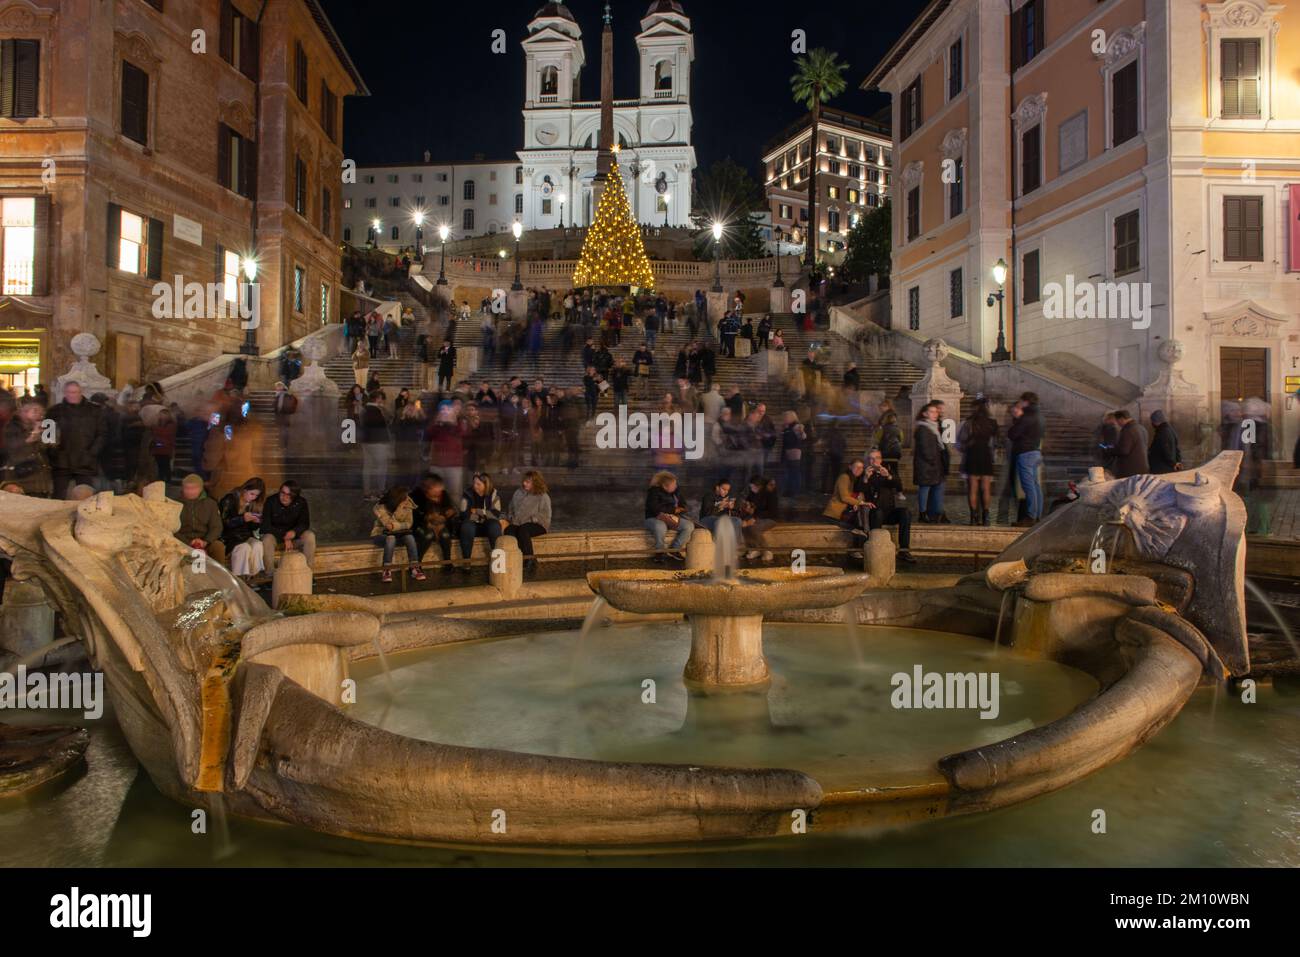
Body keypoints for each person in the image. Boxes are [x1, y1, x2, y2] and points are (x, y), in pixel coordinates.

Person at [47, 381, 107, 499]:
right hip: (61, 461)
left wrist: (92, 452)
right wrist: (53, 452)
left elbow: (102, 434)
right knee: (59, 495)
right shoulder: (54, 411)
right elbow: (47, 436)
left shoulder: (95, 411)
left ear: (81, 392)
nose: (72, 395)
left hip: (86, 460)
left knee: (85, 497)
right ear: (65, 393)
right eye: (69, 392)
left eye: (75, 392)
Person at [860, 450, 916, 564]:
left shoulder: (887, 471)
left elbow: (899, 485)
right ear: (868, 461)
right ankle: (876, 549)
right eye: (871, 458)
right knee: (878, 512)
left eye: (877, 458)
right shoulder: (864, 474)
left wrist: (889, 476)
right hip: (874, 512)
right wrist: (866, 479)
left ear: (881, 460)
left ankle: (904, 550)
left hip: (889, 512)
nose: (875, 461)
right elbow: (860, 492)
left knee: (905, 512)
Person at [371, 485, 425, 583]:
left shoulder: (407, 504)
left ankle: (414, 568)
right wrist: (398, 509)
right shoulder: (381, 507)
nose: (407, 498)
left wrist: (396, 526)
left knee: (410, 537)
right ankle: (387, 569)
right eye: (404, 496)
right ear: (397, 499)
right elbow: (388, 525)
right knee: (391, 538)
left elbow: (409, 523)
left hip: (399, 534)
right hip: (381, 534)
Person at [958, 399, 999, 526]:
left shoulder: (969, 423)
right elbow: (996, 442)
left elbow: (961, 440)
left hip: (972, 455)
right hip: (985, 455)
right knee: (986, 488)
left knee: (973, 488)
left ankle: (973, 517)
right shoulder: (992, 423)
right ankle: (986, 516)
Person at [1, 397, 52, 496]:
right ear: (23, 412)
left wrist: (46, 439)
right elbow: (8, 449)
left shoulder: (39, 426)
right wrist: (29, 439)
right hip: (19, 480)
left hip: (40, 481)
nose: (39, 414)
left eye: (41, 412)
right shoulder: (10, 427)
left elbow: (47, 449)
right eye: (35, 411)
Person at [261, 480, 316, 572]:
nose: (284, 497)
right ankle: (270, 575)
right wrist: (285, 536)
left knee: (310, 536)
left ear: (294, 496)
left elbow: (304, 523)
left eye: (289, 495)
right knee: (266, 539)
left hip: (294, 537)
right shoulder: (271, 501)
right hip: (276, 537)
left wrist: (294, 532)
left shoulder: (301, 502)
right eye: (282, 493)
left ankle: (308, 572)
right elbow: (265, 526)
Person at [1007, 393, 1044, 526]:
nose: (1019, 404)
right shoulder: (1039, 415)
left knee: (1029, 486)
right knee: (1035, 485)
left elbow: (1012, 433)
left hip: (1026, 453)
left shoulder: (1027, 416)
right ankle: (1038, 515)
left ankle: (1031, 516)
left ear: (1026, 402)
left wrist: (1016, 421)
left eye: (1021, 402)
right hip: (1035, 452)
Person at [218, 477, 267, 579]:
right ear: (244, 490)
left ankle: (253, 576)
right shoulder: (230, 499)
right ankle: (239, 578)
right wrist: (242, 519)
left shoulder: (252, 503)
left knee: (258, 545)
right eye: (252, 494)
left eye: (256, 495)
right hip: (229, 537)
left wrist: (256, 522)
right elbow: (224, 522)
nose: (253, 497)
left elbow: (251, 528)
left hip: (245, 536)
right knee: (244, 548)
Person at [410, 474, 458, 572]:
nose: (438, 493)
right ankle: (416, 564)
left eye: (439, 491)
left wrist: (446, 515)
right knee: (428, 535)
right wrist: (428, 518)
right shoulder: (417, 495)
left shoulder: (443, 495)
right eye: (436, 490)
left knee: (445, 534)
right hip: (421, 525)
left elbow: (450, 510)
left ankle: (447, 562)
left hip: (440, 525)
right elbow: (413, 516)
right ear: (429, 488)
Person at [507, 470, 552, 574]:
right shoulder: (518, 493)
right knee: (509, 530)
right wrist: (510, 518)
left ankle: (529, 560)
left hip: (538, 525)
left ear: (535, 483)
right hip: (519, 523)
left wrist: (531, 520)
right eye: (524, 481)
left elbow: (546, 517)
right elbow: (510, 508)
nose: (524, 483)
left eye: (528, 482)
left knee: (523, 530)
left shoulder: (543, 496)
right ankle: (515, 558)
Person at [175, 473, 225, 564]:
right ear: (182, 488)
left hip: (205, 540)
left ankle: (219, 575)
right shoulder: (175, 504)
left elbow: (216, 526)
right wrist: (188, 542)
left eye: (193, 488)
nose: (190, 491)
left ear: (201, 489)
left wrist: (206, 541)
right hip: (183, 541)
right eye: (187, 488)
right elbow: (172, 528)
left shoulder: (210, 504)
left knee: (218, 546)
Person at [644, 471, 693, 562]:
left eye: (675, 483)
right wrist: (673, 510)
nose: (676, 486)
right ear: (664, 486)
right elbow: (654, 508)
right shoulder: (653, 492)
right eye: (673, 484)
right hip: (654, 518)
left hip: (671, 518)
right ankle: (659, 552)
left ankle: (675, 549)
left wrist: (683, 508)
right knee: (660, 526)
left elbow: (684, 504)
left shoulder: (676, 492)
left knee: (689, 526)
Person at [459, 472, 504, 571]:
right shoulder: (467, 493)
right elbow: (463, 513)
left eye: (478, 484)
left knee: (495, 526)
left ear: (486, 485)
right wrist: (482, 517)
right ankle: (466, 561)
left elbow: (495, 513)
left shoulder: (494, 494)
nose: (475, 486)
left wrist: (477, 511)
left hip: (487, 524)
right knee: (467, 526)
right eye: (474, 483)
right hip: (472, 523)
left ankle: (498, 561)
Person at [912, 404, 946, 523]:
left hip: (934, 465)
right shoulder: (923, 428)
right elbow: (925, 449)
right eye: (932, 412)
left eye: (936, 412)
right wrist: (933, 460)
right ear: (924, 413)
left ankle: (938, 513)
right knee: (925, 489)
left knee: (936, 489)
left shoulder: (933, 427)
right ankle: (923, 513)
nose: (935, 414)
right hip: (926, 466)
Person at [360, 390, 392, 499]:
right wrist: (383, 408)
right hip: (379, 441)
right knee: (381, 467)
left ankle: (367, 492)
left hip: (366, 441)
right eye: (382, 399)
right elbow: (388, 420)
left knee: (367, 467)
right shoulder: (379, 410)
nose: (383, 401)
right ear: (378, 398)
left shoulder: (363, 409)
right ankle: (380, 491)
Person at [738, 473, 777, 562]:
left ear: (759, 486)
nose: (751, 489)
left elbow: (771, 512)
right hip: (756, 516)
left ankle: (767, 551)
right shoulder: (753, 493)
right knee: (744, 526)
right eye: (750, 487)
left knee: (753, 528)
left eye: (753, 487)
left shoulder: (769, 494)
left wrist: (755, 517)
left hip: (770, 518)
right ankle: (755, 549)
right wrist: (746, 506)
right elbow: (748, 502)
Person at [1112, 409, 1149, 479]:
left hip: (1130, 469)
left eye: (1117, 421)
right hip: (1142, 467)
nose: (1117, 423)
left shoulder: (1127, 430)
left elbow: (1124, 450)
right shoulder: (1141, 428)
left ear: (1121, 419)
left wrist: (1111, 450)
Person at [779, 410, 806, 500]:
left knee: (794, 472)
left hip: (794, 453)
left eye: (786, 417)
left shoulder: (796, 426)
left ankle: (794, 491)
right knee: (790, 473)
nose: (784, 419)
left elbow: (803, 436)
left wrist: (801, 432)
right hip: (788, 452)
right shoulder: (787, 427)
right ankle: (789, 491)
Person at [1147, 410, 1182, 474]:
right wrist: (1178, 461)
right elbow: (1177, 448)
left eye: (1152, 421)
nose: (1152, 423)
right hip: (1167, 467)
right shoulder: (1170, 429)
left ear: (1157, 421)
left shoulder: (1162, 432)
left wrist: (1173, 463)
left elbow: (1166, 450)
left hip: (1162, 468)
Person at [272, 382, 297, 452]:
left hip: (282, 416)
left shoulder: (280, 395)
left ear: (280, 387)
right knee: (285, 431)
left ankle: (283, 446)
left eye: (277, 387)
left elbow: (279, 407)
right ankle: (285, 445)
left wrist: (276, 410)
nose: (276, 389)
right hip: (288, 415)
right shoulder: (289, 394)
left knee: (282, 431)